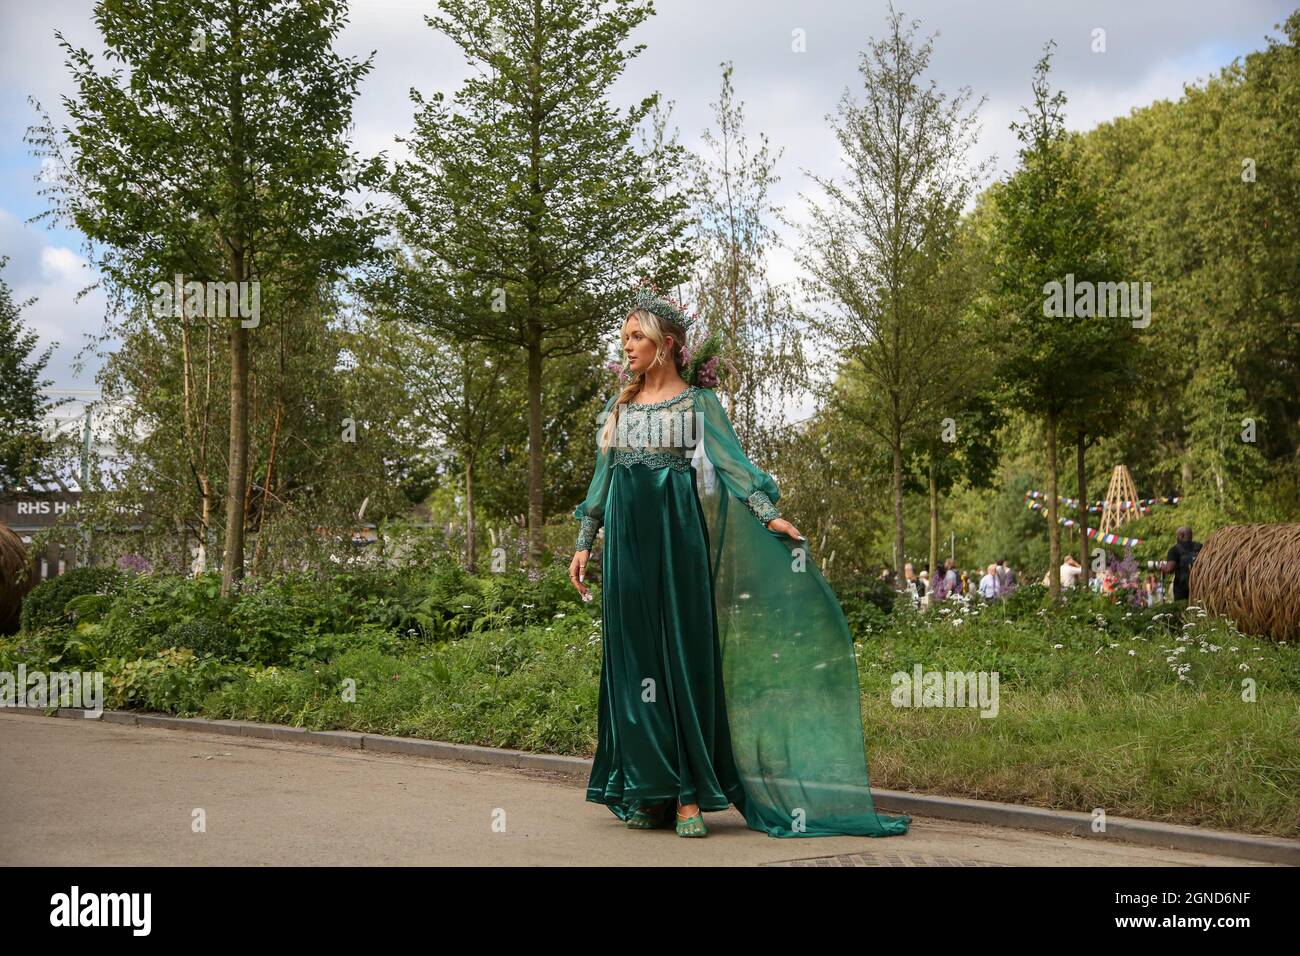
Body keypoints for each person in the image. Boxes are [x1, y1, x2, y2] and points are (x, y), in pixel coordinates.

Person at [569, 283, 909, 840]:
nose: (627, 346)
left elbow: (733, 466)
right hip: (626, 552)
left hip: (678, 545)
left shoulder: (698, 404)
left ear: (668, 343)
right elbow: (602, 481)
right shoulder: (619, 407)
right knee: (636, 667)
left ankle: (686, 796)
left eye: (637, 336)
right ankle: (648, 788)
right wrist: (586, 541)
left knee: (681, 661)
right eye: (625, 337)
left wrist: (766, 513)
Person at [1161, 526, 1203, 602]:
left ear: (1182, 535)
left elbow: (1170, 569)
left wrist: (1163, 568)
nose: (1176, 537)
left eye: (1177, 535)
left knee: (1182, 609)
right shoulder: (1200, 547)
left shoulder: (1174, 550)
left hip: (1181, 588)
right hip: (1199, 586)